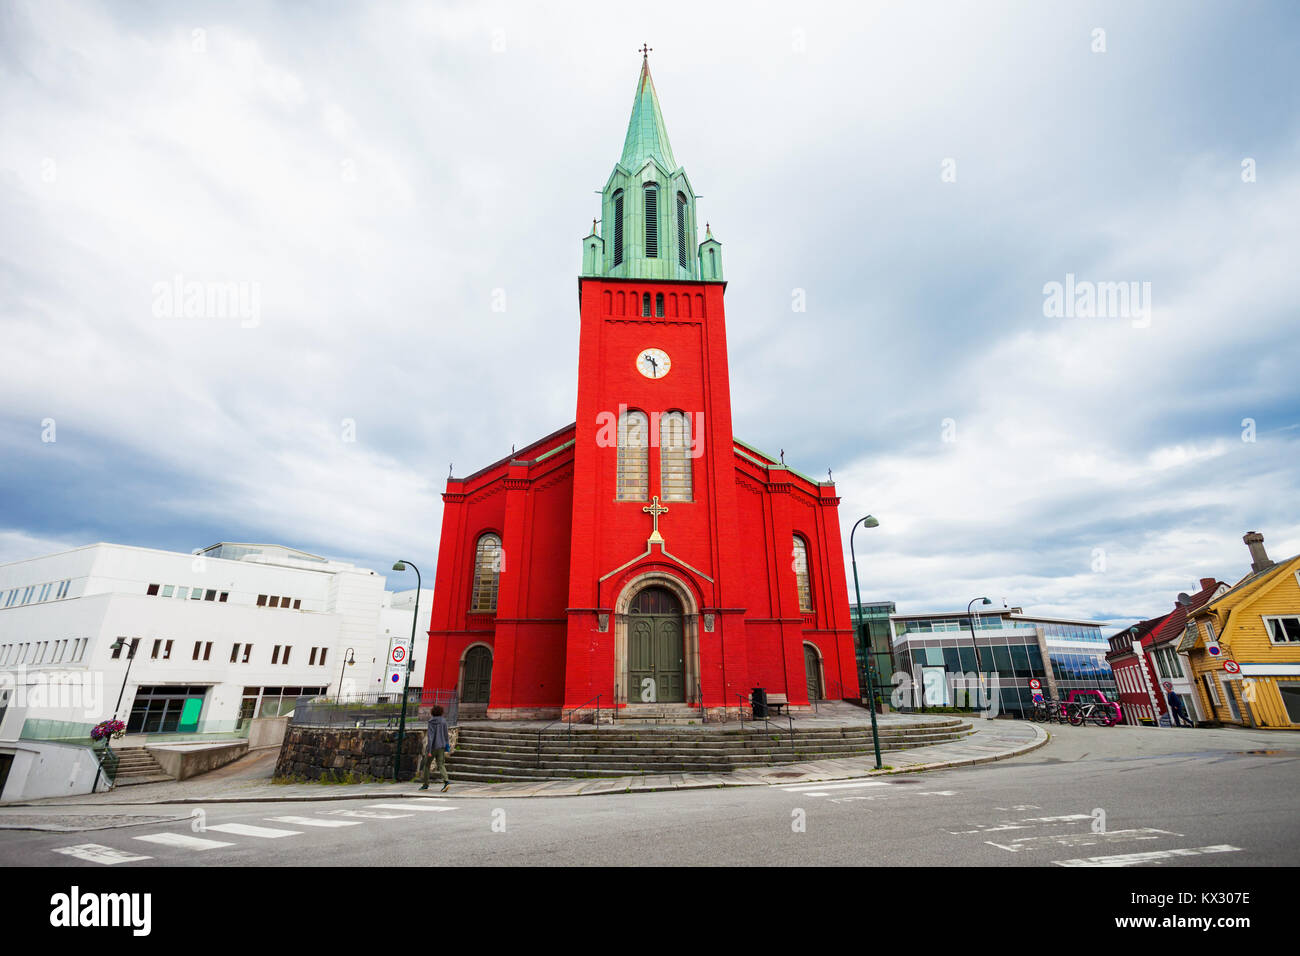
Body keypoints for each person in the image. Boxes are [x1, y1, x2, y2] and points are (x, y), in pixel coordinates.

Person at [419, 705, 451, 792]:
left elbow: (431, 737)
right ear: (441, 712)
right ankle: (446, 781)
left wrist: (429, 750)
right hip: (441, 746)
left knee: (426, 765)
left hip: (433, 747)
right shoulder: (444, 721)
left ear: (432, 712)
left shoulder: (431, 722)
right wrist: (447, 746)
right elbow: (446, 735)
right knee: (441, 764)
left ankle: (425, 785)